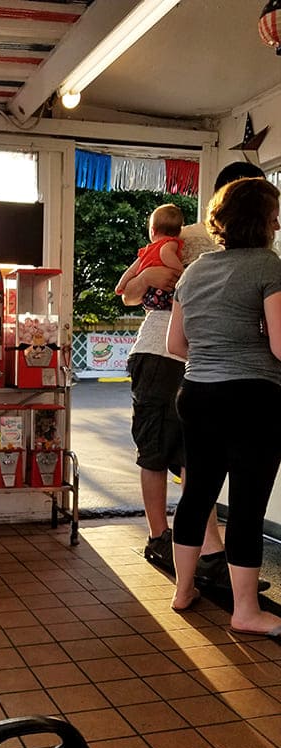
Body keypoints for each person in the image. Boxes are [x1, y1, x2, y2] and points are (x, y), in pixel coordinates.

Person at [121, 162, 268, 592]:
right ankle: (157, 538)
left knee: (195, 460)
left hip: (204, 363)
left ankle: (210, 553)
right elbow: (129, 292)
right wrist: (148, 275)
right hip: (159, 351)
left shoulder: (257, 251)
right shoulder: (183, 237)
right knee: (155, 448)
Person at [166, 177, 281, 636]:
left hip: (197, 395)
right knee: (248, 505)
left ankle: (182, 590)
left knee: (197, 495)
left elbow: (177, 344)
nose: (278, 221)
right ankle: (246, 612)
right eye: (274, 212)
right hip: (253, 397)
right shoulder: (269, 265)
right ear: (261, 221)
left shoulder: (193, 271)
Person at [115, 203, 184, 310]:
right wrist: (181, 271)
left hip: (148, 295)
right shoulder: (171, 242)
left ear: (153, 230)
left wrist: (121, 285)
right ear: (179, 232)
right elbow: (165, 254)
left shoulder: (146, 250)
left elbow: (131, 271)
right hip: (162, 292)